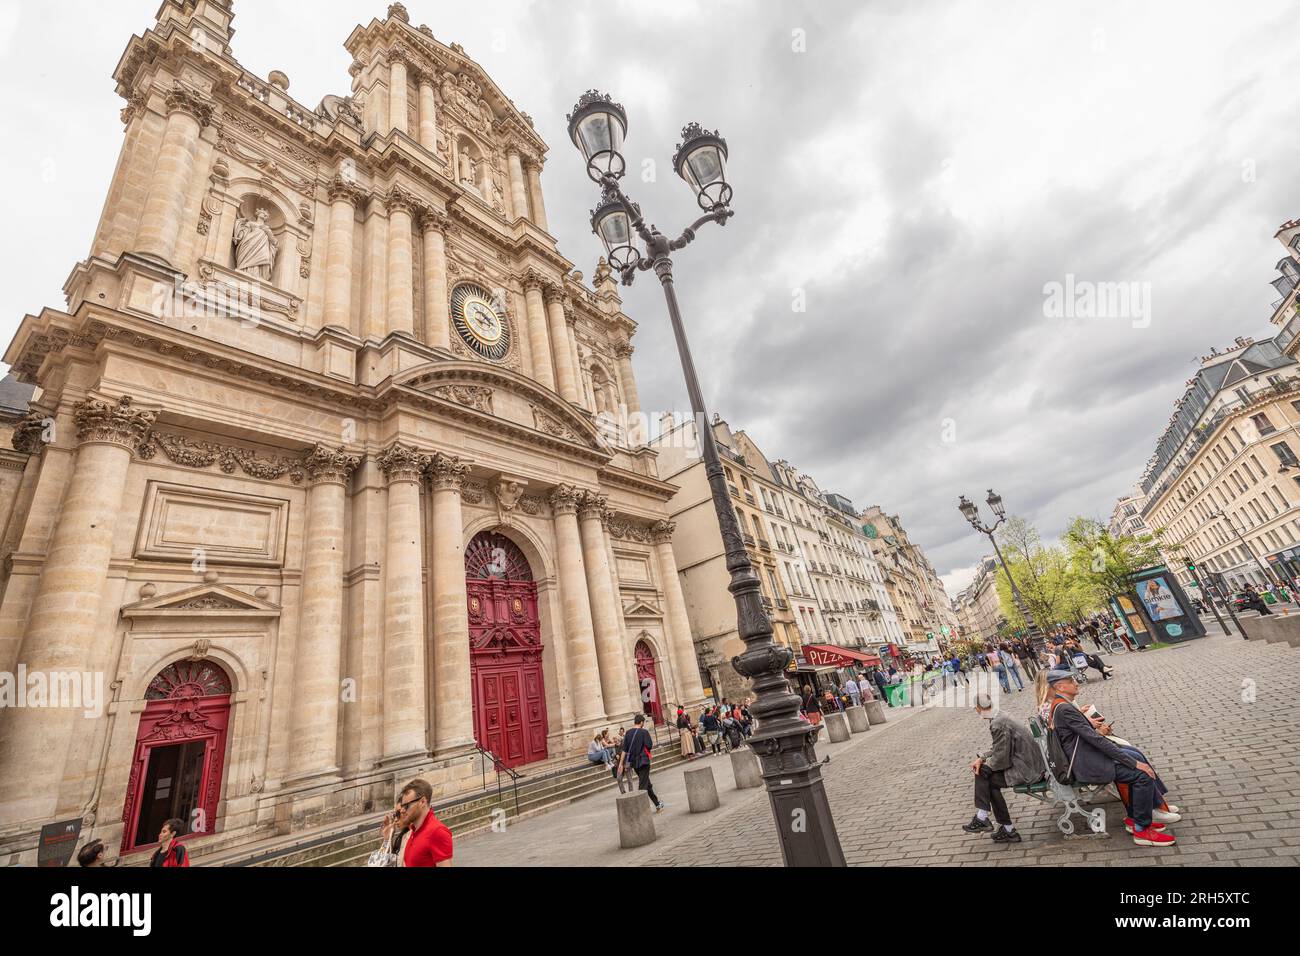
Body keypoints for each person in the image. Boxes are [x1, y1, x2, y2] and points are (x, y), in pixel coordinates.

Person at [1044, 667, 1173, 846]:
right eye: (1071, 681)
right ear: (1060, 686)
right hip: (1087, 764)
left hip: (1088, 757)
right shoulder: (1064, 708)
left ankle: (1135, 819)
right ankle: (1142, 831)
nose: (1076, 682)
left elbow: (1090, 737)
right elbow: (1095, 740)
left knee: (1134, 756)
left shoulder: (1061, 704)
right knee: (1141, 774)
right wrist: (1132, 763)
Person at [961, 692, 1046, 843]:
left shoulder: (997, 723)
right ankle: (1002, 826)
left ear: (978, 708)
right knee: (985, 775)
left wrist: (984, 765)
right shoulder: (1001, 716)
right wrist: (982, 758)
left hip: (1028, 770)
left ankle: (988, 819)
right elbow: (1000, 747)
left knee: (984, 775)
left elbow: (1001, 760)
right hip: (1032, 764)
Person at [396, 778, 453, 867]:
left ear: (422, 802)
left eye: (406, 806)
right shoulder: (413, 831)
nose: (402, 810)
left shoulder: (437, 831)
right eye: (402, 806)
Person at [623, 713, 665, 812]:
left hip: (634, 762)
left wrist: (622, 764)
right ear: (641, 722)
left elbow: (625, 749)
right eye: (643, 723)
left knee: (647, 783)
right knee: (643, 785)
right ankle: (639, 808)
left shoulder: (628, 733)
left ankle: (657, 804)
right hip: (644, 761)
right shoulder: (644, 732)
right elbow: (649, 745)